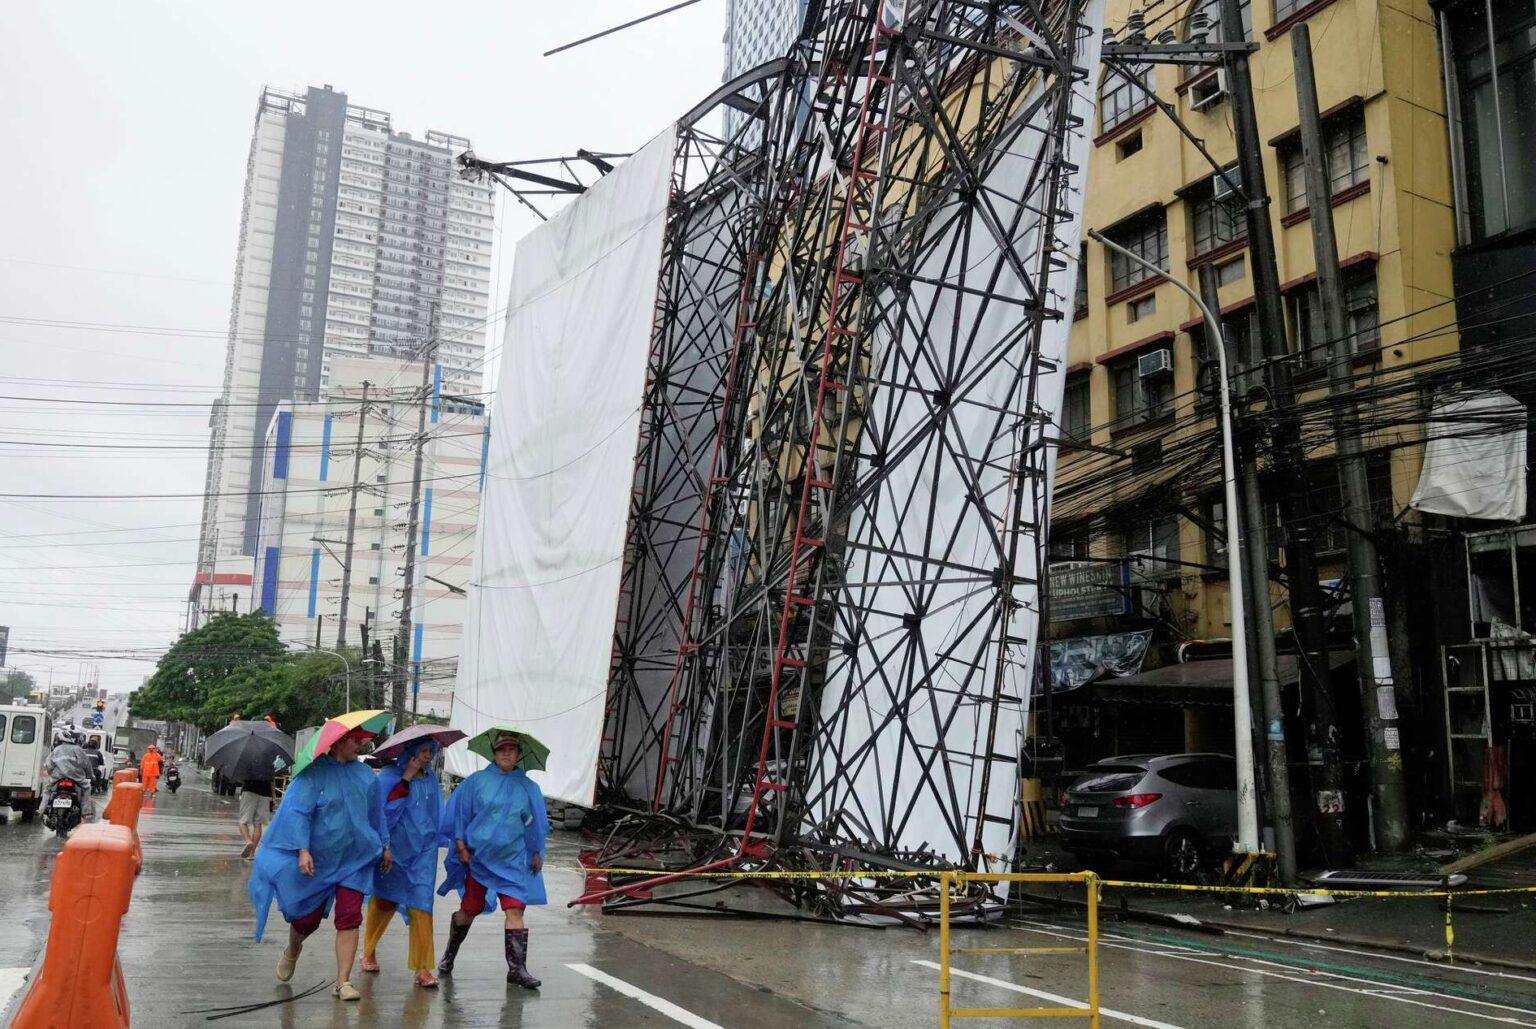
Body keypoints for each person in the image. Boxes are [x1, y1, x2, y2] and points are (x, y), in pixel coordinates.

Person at [248, 728, 389, 1003]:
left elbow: (376, 813)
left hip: (355, 860)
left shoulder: (365, 776)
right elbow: (298, 813)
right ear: (338, 743)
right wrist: (302, 850)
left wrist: (385, 844)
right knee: (306, 921)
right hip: (319, 861)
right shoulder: (312, 775)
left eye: (362, 739)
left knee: (349, 917)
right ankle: (293, 948)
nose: (361, 744)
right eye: (355, 739)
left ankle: (343, 982)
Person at [436, 730, 548, 989]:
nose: (507, 753)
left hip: (512, 861)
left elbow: (535, 824)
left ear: (519, 755)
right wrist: (461, 846)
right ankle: (449, 956)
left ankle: (517, 969)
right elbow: (460, 815)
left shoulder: (529, 788)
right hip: (478, 861)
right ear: (494, 753)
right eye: (501, 749)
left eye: (512, 749)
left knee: (515, 909)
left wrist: (535, 852)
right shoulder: (475, 782)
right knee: (468, 912)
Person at [360, 741, 443, 989]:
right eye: (424, 751)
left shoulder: (431, 780)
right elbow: (382, 816)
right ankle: (368, 951)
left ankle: (423, 967)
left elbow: (436, 814)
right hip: (394, 853)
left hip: (424, 854)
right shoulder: (387, 778)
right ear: (410, 752)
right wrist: (405, 780)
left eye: (431, 752)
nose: (427, 757)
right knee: (384, 900)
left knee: (422, 906)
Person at [43, 728, 95, 804]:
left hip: (57, 777)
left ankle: (41, 810)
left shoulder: (57, 749)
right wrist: (90, 776)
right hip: (77, 778)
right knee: (87, 789)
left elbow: (49, 764)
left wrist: (51, 773)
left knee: (47, 790)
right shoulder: (79, 750)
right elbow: (86, 765)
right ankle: (86, 812)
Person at [238, 776, 274, 859]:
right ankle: (252, 853)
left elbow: (242, 776)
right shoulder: (269, 764)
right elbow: (272, 781)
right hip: (265, 793)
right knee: (258, 824)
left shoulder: (247, 763)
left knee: (243, 821)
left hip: (249, 790)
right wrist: (273, 798)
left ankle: (248, 841)